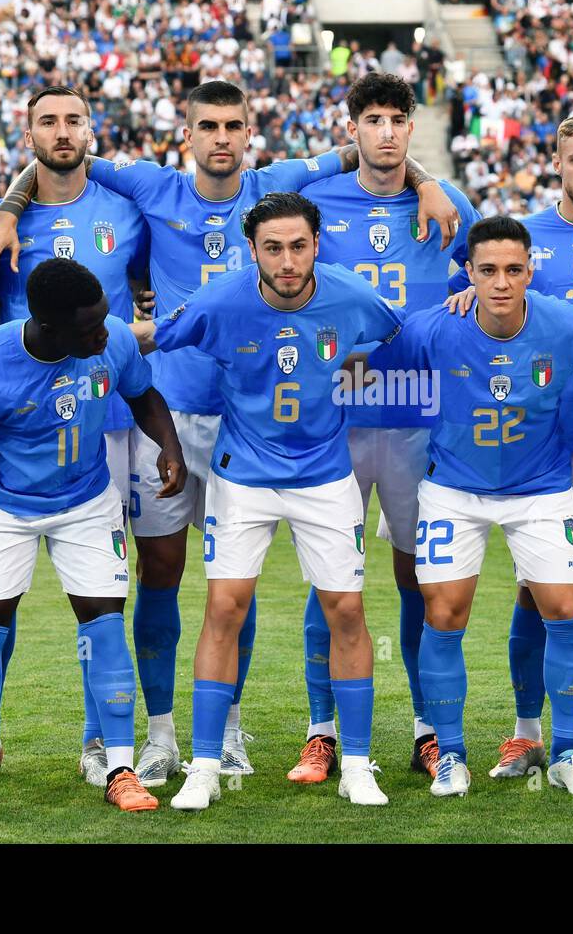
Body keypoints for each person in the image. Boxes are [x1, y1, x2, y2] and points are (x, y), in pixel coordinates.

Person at [0, 80, 459, 784]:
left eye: (234, 124)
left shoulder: (278, 186)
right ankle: (158, 734)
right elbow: (62, 153)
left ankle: (228, 730)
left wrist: (429, 182)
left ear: (249, 131)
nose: (222, 137)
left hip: (249, 421)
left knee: (241, 582)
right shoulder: (155, 187)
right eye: (209, 125)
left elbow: (372, 148)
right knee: (158, 573)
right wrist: (7, 211)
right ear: (190, 133)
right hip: (166, 414)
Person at [131, 192, 404, 811]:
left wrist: (356, 369)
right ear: (252, 249)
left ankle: (357, 765)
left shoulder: (351, 295)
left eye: (299, 246)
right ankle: (203, 765)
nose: (287, 261)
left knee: (347, 611)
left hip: (326, 476)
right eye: (273, 248)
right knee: (224, 608)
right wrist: (79, 334)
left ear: (317, 245)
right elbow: (155, 336)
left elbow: (399, 334)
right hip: (243, 476)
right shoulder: (223, 299)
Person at [0, 257, 186, 813]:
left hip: (87, 502)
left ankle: (119, 766)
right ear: (48, 327)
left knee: (105, 624)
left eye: (104, 321)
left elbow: (142, 395)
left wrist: (170, 445)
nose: (104, 333)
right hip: (3, 509)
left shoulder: (109, 338)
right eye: (89, 328)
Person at [369, 216, 573, 799]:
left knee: (564, 610)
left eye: (512, 270)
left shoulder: (564, 324)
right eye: (487, 271)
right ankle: (450, 754)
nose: (500, 282)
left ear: (531, 271)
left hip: (542, 490)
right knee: (445, 614)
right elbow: (374, 371)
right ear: (468, 274)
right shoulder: (433, 328)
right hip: (454, 490)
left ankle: (566, 752)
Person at [447, 111, 573, 780]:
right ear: (556, 161)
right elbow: (469, 306)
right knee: (537, 591)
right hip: (540, 446)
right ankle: (526, 731)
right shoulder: (522, 237)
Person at [290, 71, 477, 784]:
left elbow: (487, 276)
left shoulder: (446, 202)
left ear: (411, 128)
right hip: (335, 419)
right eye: (374, 119)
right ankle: (322, 730)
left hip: (418, 418)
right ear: (354, 128)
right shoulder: (314, 200)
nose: (388, 131)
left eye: (399, 118)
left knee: (418, 576)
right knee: (330, 581)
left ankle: (428, 729)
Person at [0, 85, 150, 787]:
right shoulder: (0, 224)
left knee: (103, 592)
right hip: (18, 431)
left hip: (106, 421)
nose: (61, 131)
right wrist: (10, 208)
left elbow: (147, 288)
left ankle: (98, 744)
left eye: (73, 119)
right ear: (29, 134)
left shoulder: (128, 210)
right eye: (46, 120)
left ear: (91, 129)